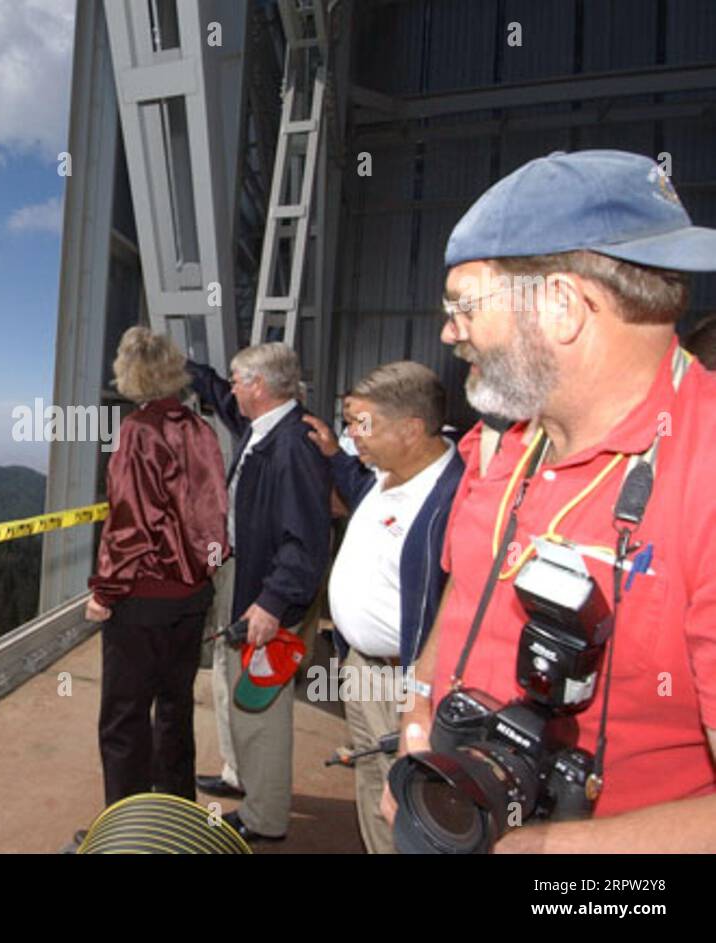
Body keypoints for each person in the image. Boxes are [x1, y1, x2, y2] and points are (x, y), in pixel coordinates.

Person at [385, 149, 716, 852]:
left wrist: (548, 856)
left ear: (563, 305)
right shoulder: (503, 440)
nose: (449, 331)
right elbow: (467, 588)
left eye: (465, 304)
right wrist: (419, 714)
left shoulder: (704, 473)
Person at [301, 362, 463, 853]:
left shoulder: (454, 499)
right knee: (373, 783)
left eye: (362, 425)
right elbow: (353, 478)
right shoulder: (382, 474)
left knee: (411, 805)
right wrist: (334, 453)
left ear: (412, 429)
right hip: (361, 669)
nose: (353, 435)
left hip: (407, 685)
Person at [186, 342, 331, 842]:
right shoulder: (264, 427)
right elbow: (222, 402)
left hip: (266, 591)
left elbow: (306, 540)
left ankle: (264, 818)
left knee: (260, 706)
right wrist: (187, 370)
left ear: (259, 386)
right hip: (245, 578)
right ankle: (242, 779)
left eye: (235, 380)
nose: (230, 389)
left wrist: (271, 602)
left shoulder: (293, 446)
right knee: (231, 680)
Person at [84, 326, 228, 807]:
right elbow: (213, 510)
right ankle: (175, 818)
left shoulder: (139, 431)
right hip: (193, 597)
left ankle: (127, 829)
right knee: (174, 707)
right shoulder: (200, 429)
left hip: (143, 598)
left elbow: (130, 524)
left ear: (130, 373)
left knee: (124, 719)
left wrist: (105, 592)